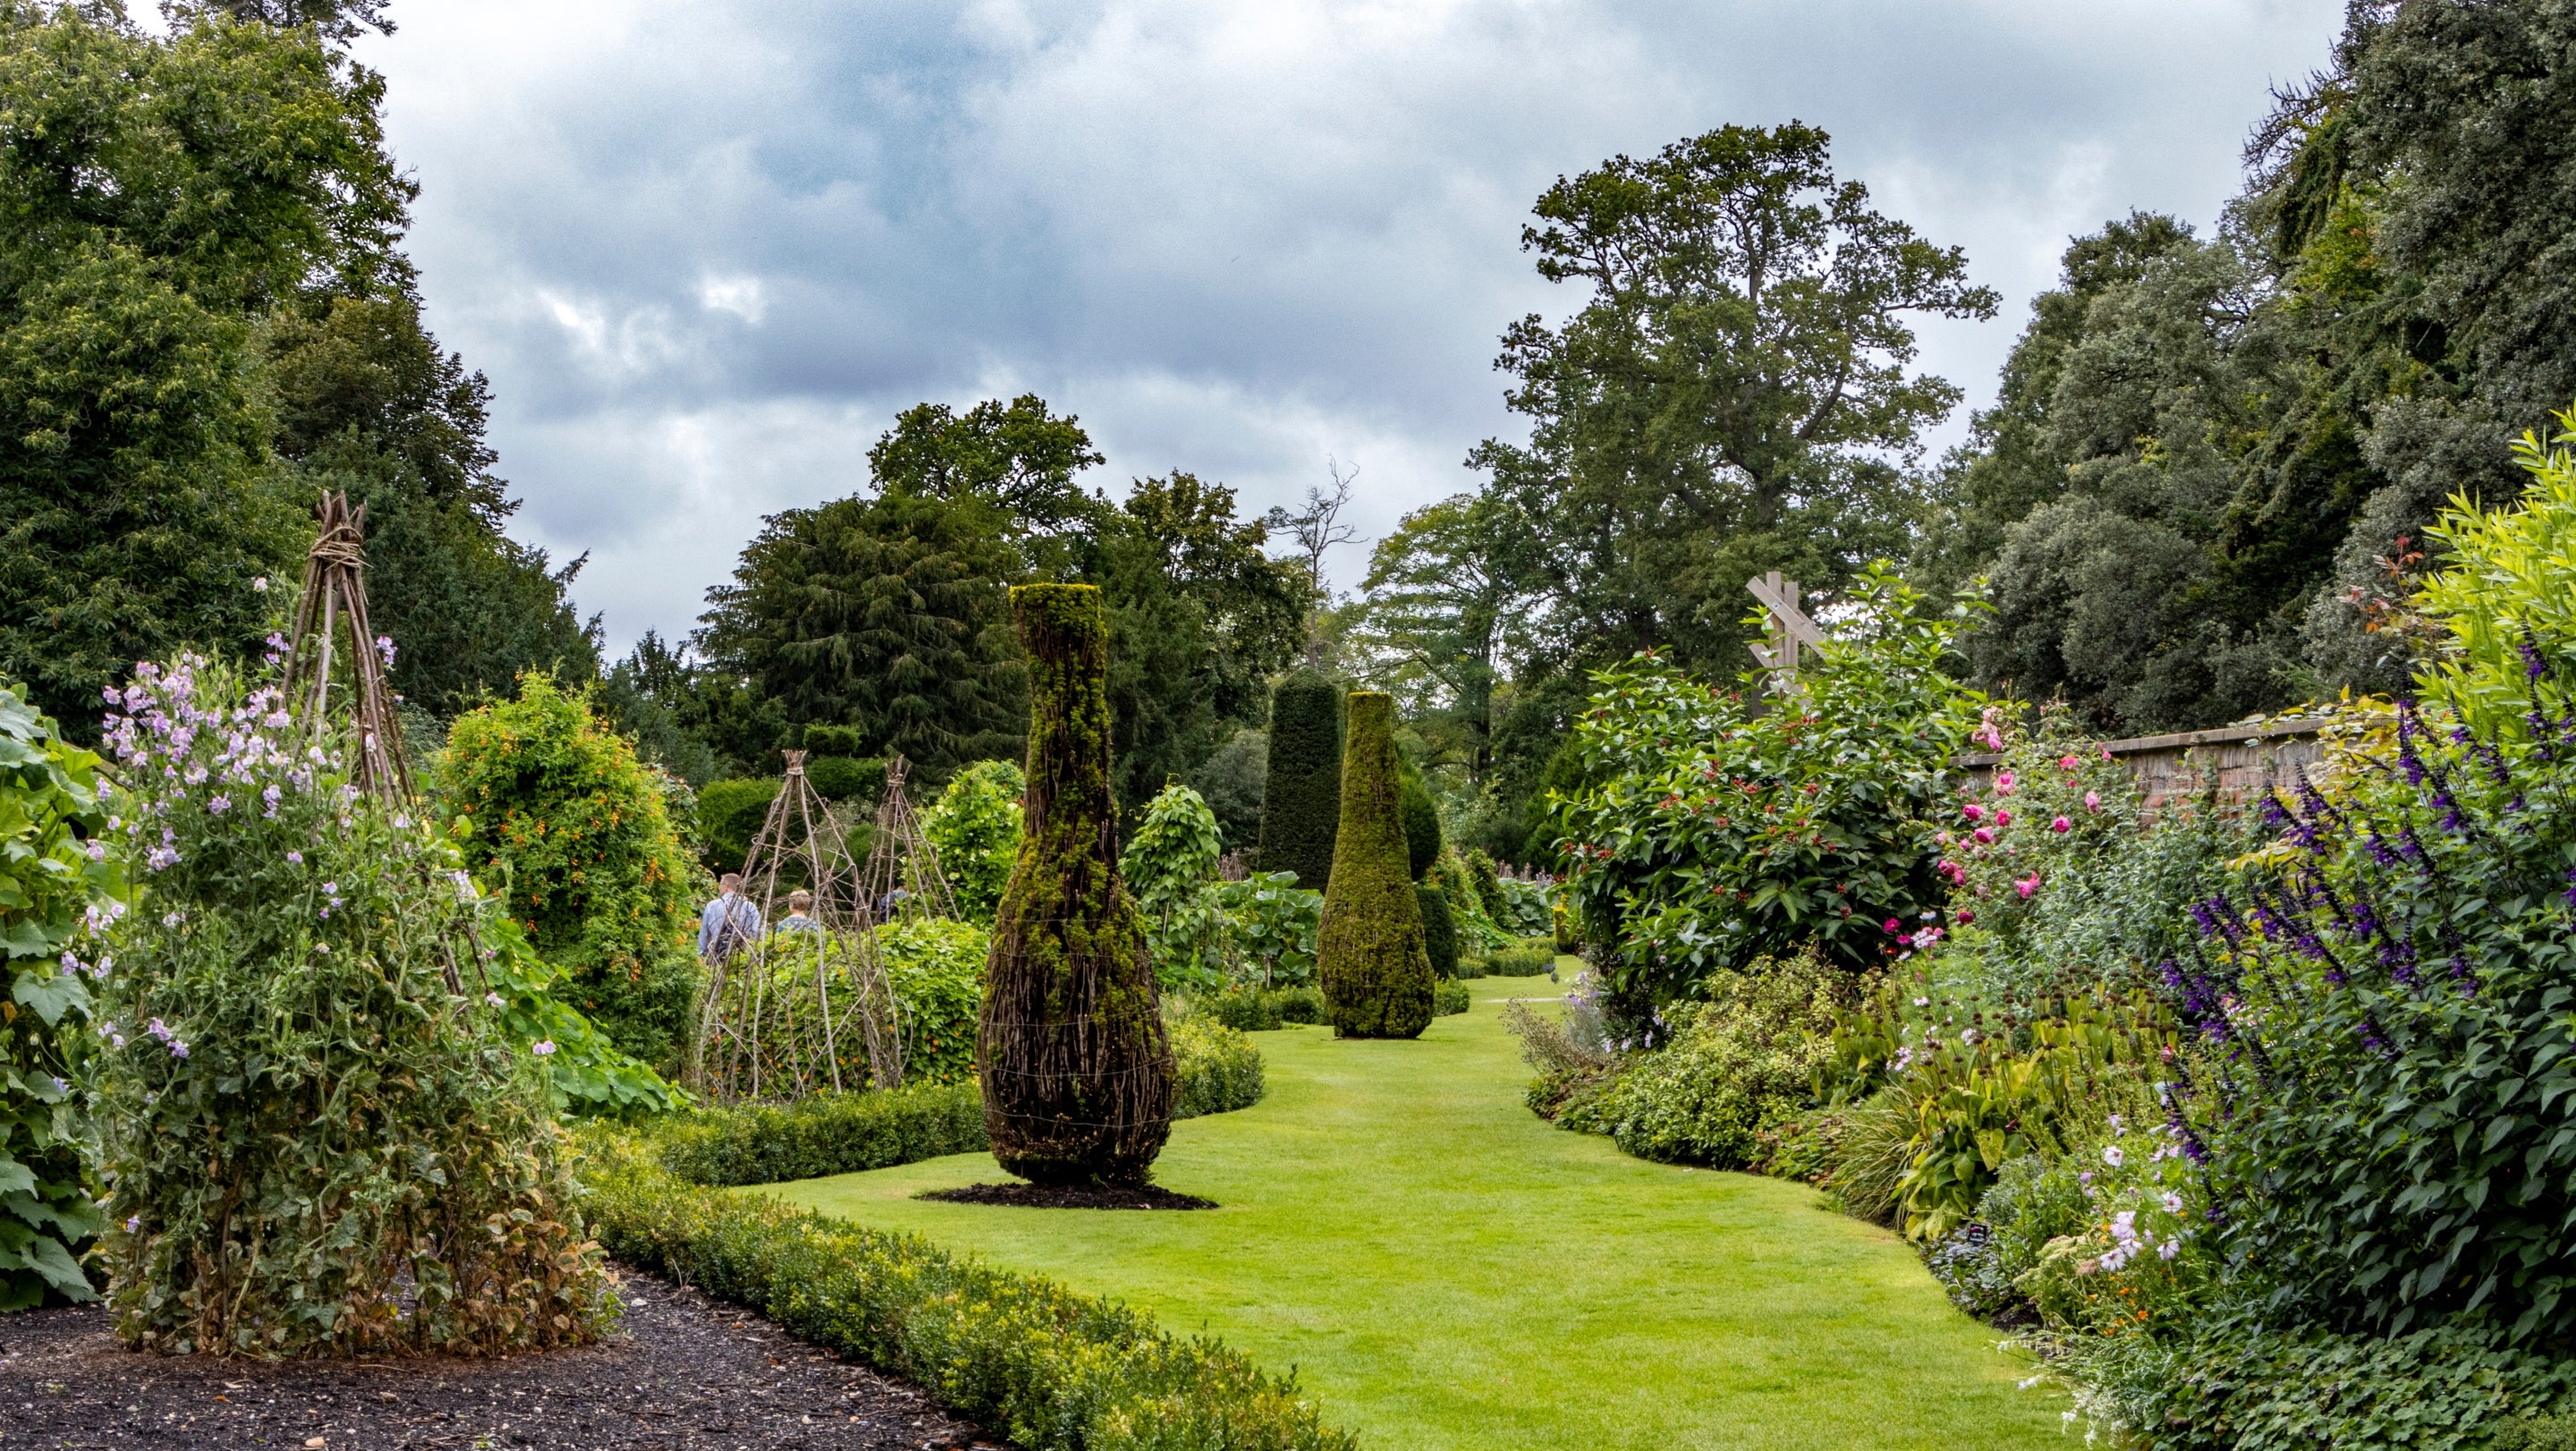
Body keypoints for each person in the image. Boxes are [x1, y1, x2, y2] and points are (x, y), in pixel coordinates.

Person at [698, 872, 763, 962]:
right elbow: (757, 932)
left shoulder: (712, 906)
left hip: (717, 956)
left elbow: (704, 934)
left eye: (720, 885)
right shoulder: (750, 906)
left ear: (726, 886)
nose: (719, 888)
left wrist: (703, 955)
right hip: (742, 957)